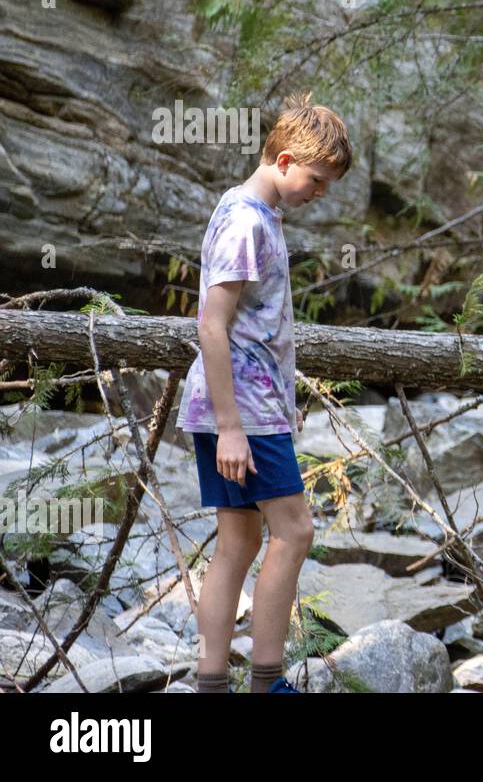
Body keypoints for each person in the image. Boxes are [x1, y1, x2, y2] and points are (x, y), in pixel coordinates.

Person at [176, 92, 351, 693]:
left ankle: (212, 682)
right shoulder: (248, 220)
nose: (319, 193)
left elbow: (260, 323)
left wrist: (281, 399)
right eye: (316, 180)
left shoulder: (252, 211)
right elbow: (211, 324)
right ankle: (268, 683)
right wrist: (231, 425)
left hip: (252, 404)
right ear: (282, 160)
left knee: (240, 538)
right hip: (239, 411)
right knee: (295, 531)